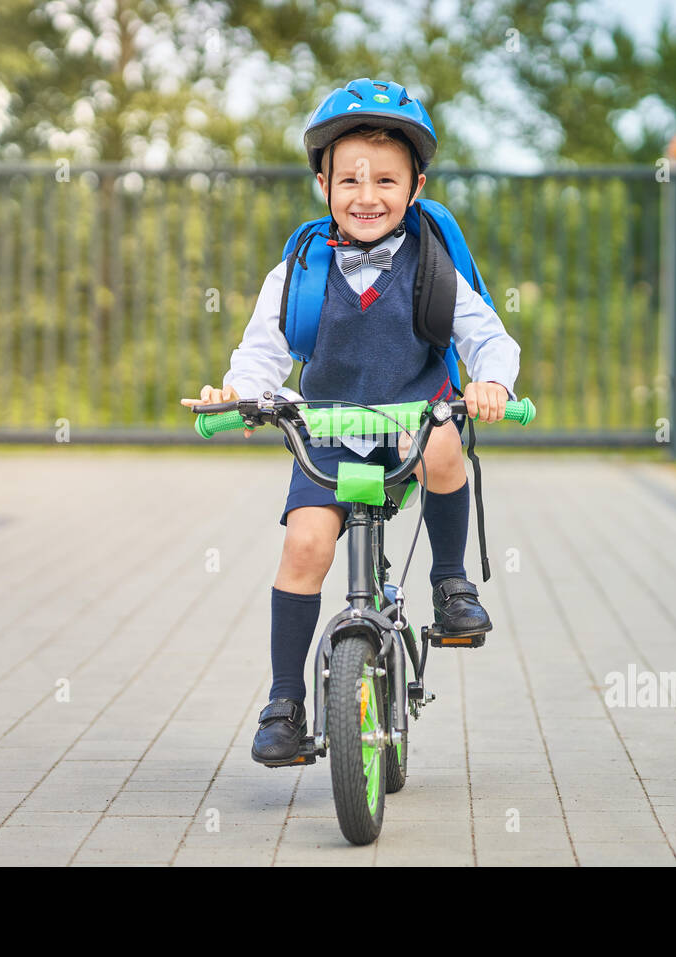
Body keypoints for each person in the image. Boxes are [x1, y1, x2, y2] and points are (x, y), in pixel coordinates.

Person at [181, 78, 521, 766]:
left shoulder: (432, 263)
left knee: (447, 441)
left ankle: (451, 583)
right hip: (329, 436)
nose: (368, 196)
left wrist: (490, 382)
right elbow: (263, 351)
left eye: (387, 180)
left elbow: (487, 336)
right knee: (305, 546)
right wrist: (241, 392)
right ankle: (284, 699)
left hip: (412, 426)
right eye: (350, 180)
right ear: (322, 184)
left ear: (416, 187)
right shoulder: (299, 270)